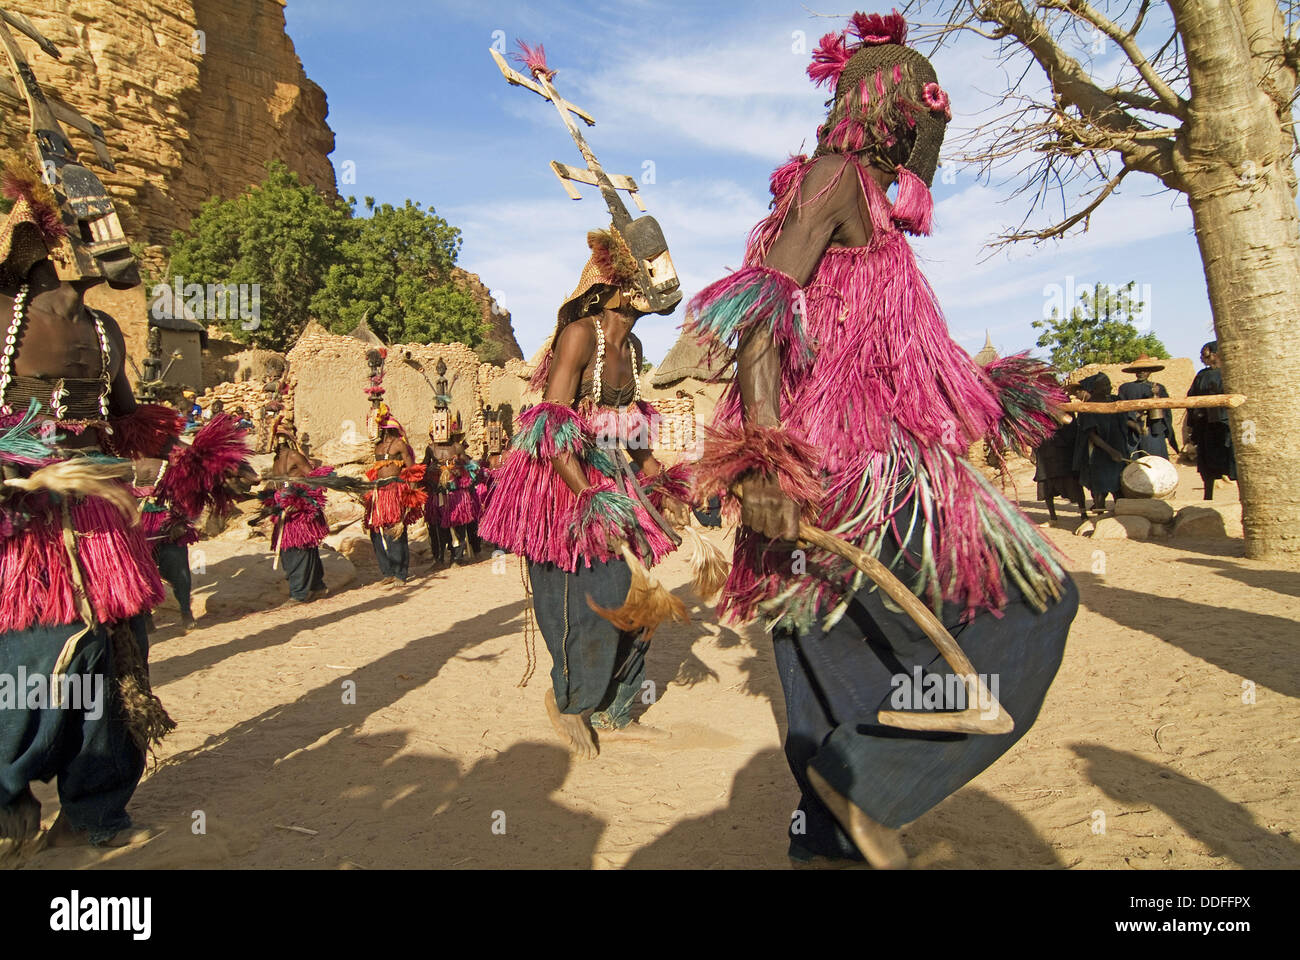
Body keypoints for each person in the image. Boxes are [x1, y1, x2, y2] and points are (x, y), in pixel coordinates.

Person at [685, 12, 1078, 868]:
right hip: (849, 473)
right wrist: (763, 459)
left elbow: (887, 351)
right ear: (901, 108)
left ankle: (845, 818)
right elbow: (760, 309)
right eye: (932, 109)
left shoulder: (864, 202)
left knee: (839, 662)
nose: (938, 128)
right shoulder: (835, 179)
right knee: (1036, 604)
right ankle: (863, 788)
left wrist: (994, 395)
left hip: (848, 472)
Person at [0, 155, 177, 848]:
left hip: (106, 520)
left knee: (118, 657)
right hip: (26, 525)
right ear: (55, 234)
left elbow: (129, 420)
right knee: (37, 658)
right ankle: (10, 805)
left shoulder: (106, 331)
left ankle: (96, 805)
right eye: (94, 219)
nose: (111, 236)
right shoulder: (4, 316)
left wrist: (170, 464)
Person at [479, 229, 682, 758]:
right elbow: (549, 428)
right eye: (641, 274)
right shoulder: (580, 336)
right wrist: (590, 497)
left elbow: (632, 429)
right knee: (583, 603)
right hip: (567, 491)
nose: (652, 285)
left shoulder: (633, 348)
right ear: (613, 283)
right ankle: (570, 705)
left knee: (638, 604)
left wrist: (661, 476)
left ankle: (616, 711)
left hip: (614, 487)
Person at [137, 413, 255, 630]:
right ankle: (145, 616)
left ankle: (185, 612)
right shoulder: (130, 456)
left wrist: (181, 520)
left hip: (169, 520)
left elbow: (199, 479)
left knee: (178, 569)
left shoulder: (179, 456)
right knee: (140, 572)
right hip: (138, 524)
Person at [257, 421, 331, 604]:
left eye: (281, 438)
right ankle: (317, 586)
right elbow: (276, 485)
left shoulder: (295, 456)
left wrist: (301, 499)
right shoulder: (275, 462)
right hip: (284, 509)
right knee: (298, 549)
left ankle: (298, 593)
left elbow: (312, 477)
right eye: (276, 438)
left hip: (300, 510)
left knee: (298, 548)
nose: (278, 442)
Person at [362, 405, 425, 585]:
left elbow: (411, 468)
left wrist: (412, 493)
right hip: (378, 492)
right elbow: (375, 471)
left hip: (395, 490)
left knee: (395, 531)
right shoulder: (378, 448)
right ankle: (387, 571)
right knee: (375, 531)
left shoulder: (399, 444)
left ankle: (400, 573)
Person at [1072, 372, 1130, 513]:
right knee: (1100, 483)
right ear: (1094, 388)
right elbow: (1091, 435)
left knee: (1120, 483)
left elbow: (1125, 419)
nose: (1108, 388)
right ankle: (1099, 513)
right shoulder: (1089, 408)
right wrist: (1111, 451)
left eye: (1109, 384)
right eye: (1104, 385)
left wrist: (1136, 426)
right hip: (1100, 452)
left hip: (1118, 447)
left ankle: (1122, 512)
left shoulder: (1115, 401)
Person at [423, 425, 480, 565]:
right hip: (437, 493)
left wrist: (459, 468)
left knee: (458, 524)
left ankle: (458, 557)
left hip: (455, 494)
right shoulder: (430, 448)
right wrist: (428, 469)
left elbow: (470, 467)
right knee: (437, 527)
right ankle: (439, 558)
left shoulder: (457, 447)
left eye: (443, 427)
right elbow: (423, 466)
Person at [1187, 340, 1237, 500]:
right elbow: (1191, 399)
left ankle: (1242, 496)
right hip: (1205, 425)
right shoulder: (1201, 375)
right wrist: (1193, 423)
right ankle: (1208, 497)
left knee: (1232, 459)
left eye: (1205, 355)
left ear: (1215, 354)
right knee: (1207, 462)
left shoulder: (1230, 373)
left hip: (1226, 425)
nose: (1203, 359)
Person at [1117, 356, 1178, 460]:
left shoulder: (1159, 388)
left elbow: (1166, 411)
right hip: (1131, 431)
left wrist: (1156, 396)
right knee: (1133, 465)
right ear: (1134, 372)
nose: (1141, 372)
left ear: (1150, 372)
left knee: (1155, 462)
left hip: (1153, 430)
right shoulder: (1125, 388)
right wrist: (1133, 423)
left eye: (1145, 370)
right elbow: (1121, 412)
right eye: (1138, 370)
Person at [1034, 415, 1087, 523]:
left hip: (1065, 452)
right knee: (1046, 485)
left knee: (1073, 484)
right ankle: (1053, 517)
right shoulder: (1039, 407)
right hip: (1045, 450)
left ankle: (1083, 514)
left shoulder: (1064, 403)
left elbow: (1071, 426)